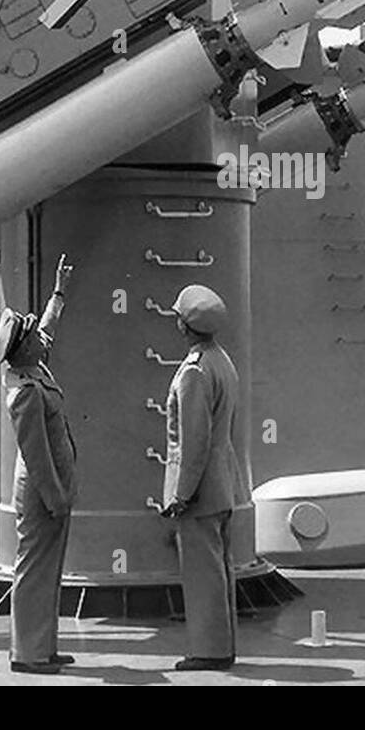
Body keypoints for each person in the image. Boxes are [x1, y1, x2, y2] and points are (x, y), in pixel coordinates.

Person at [0, 253, 78, 675]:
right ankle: (26, 654)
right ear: (21, 348)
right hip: (42, 490)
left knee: (50, 570)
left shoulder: (32, 364)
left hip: (53, 487)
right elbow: (36, 454)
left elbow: (47, 331)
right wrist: (56, 498)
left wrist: (59, 291)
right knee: (33, 572)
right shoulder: (24, 391)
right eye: (30, 335)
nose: (37, 337)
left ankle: (43, 647)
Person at [160, 284, 248, 672]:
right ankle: (222, 645)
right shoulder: (222, 362)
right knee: (219, 569)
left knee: (202, 574)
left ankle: (209, 652)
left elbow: (193, 442)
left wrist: (181, 494)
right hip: (223, 483)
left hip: (201, 490)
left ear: (185, 325)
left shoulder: (194, 372)